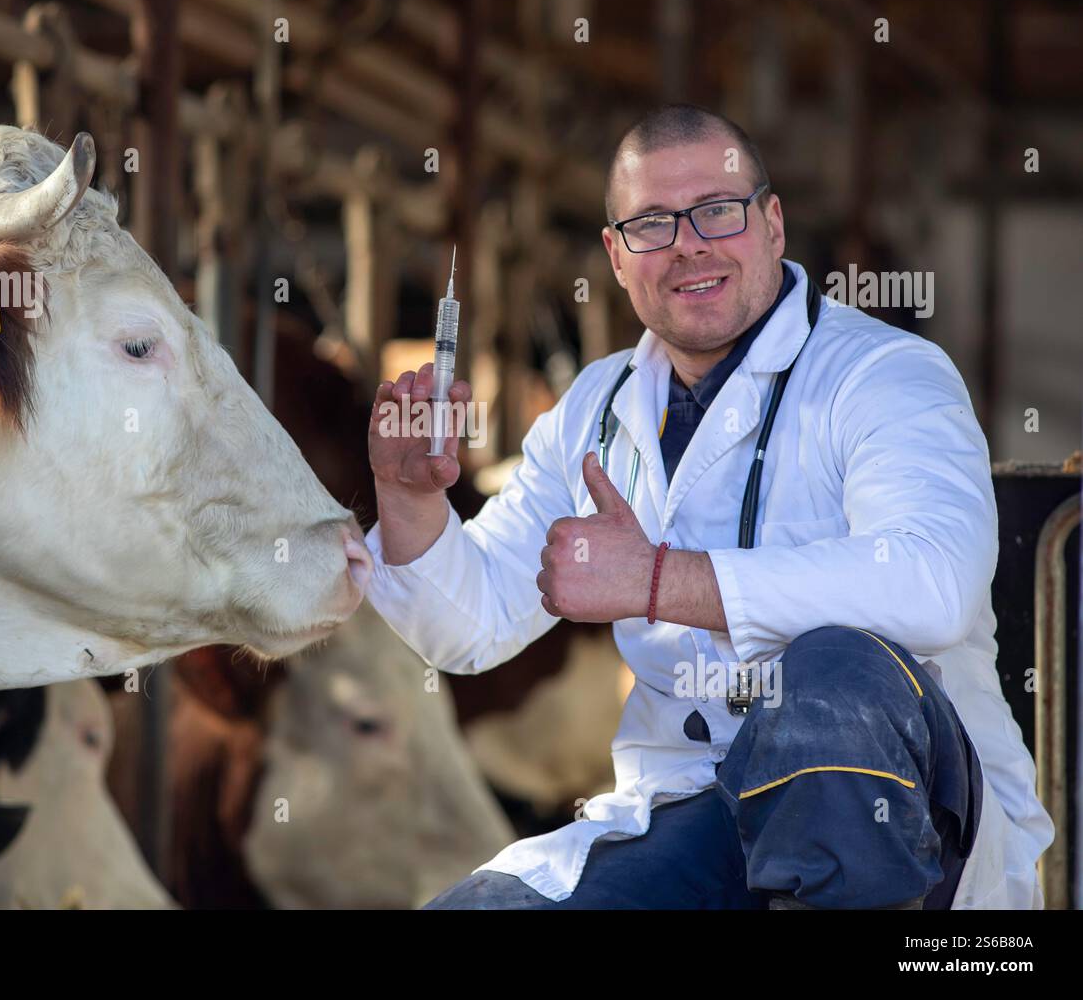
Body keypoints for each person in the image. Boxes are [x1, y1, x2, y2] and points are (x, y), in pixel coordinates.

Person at [361, 104, 1053, 910]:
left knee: (831, 673)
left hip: (902, 829)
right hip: (693, 819)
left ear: (772, 225)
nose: (689, 243)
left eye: (717, 212)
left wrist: (659, 579)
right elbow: (470, 625)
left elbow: (934, 584)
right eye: (652, 224)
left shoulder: (885, 374)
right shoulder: (597, 406)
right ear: (617, 258)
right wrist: (410, 500)